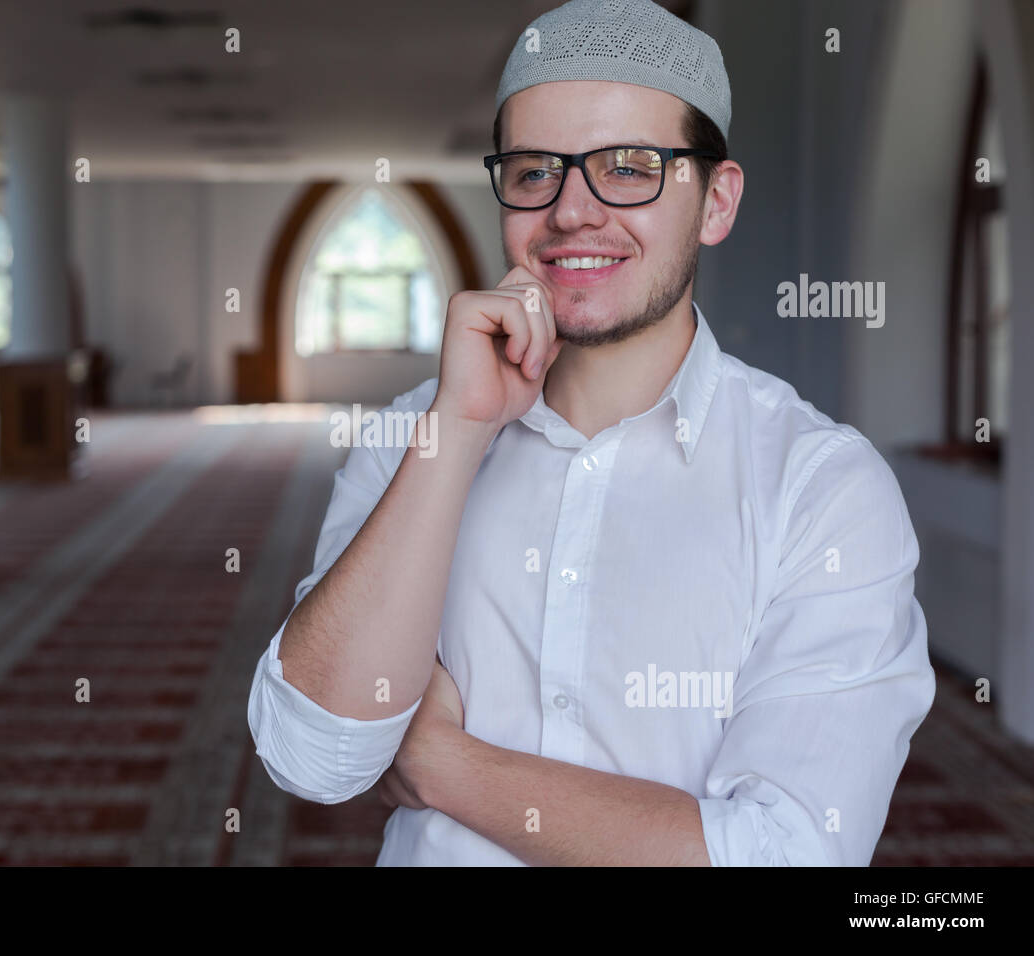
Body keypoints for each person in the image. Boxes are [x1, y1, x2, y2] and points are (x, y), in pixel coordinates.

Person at [247, 0, 935, 866]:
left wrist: (439, 762)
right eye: (536, 171)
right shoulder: (412, 434)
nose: (572, 210)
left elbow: (787, 853)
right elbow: (311, 756)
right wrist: (457, 433)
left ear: (715, 202)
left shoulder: (820, 489)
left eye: (630, 167)